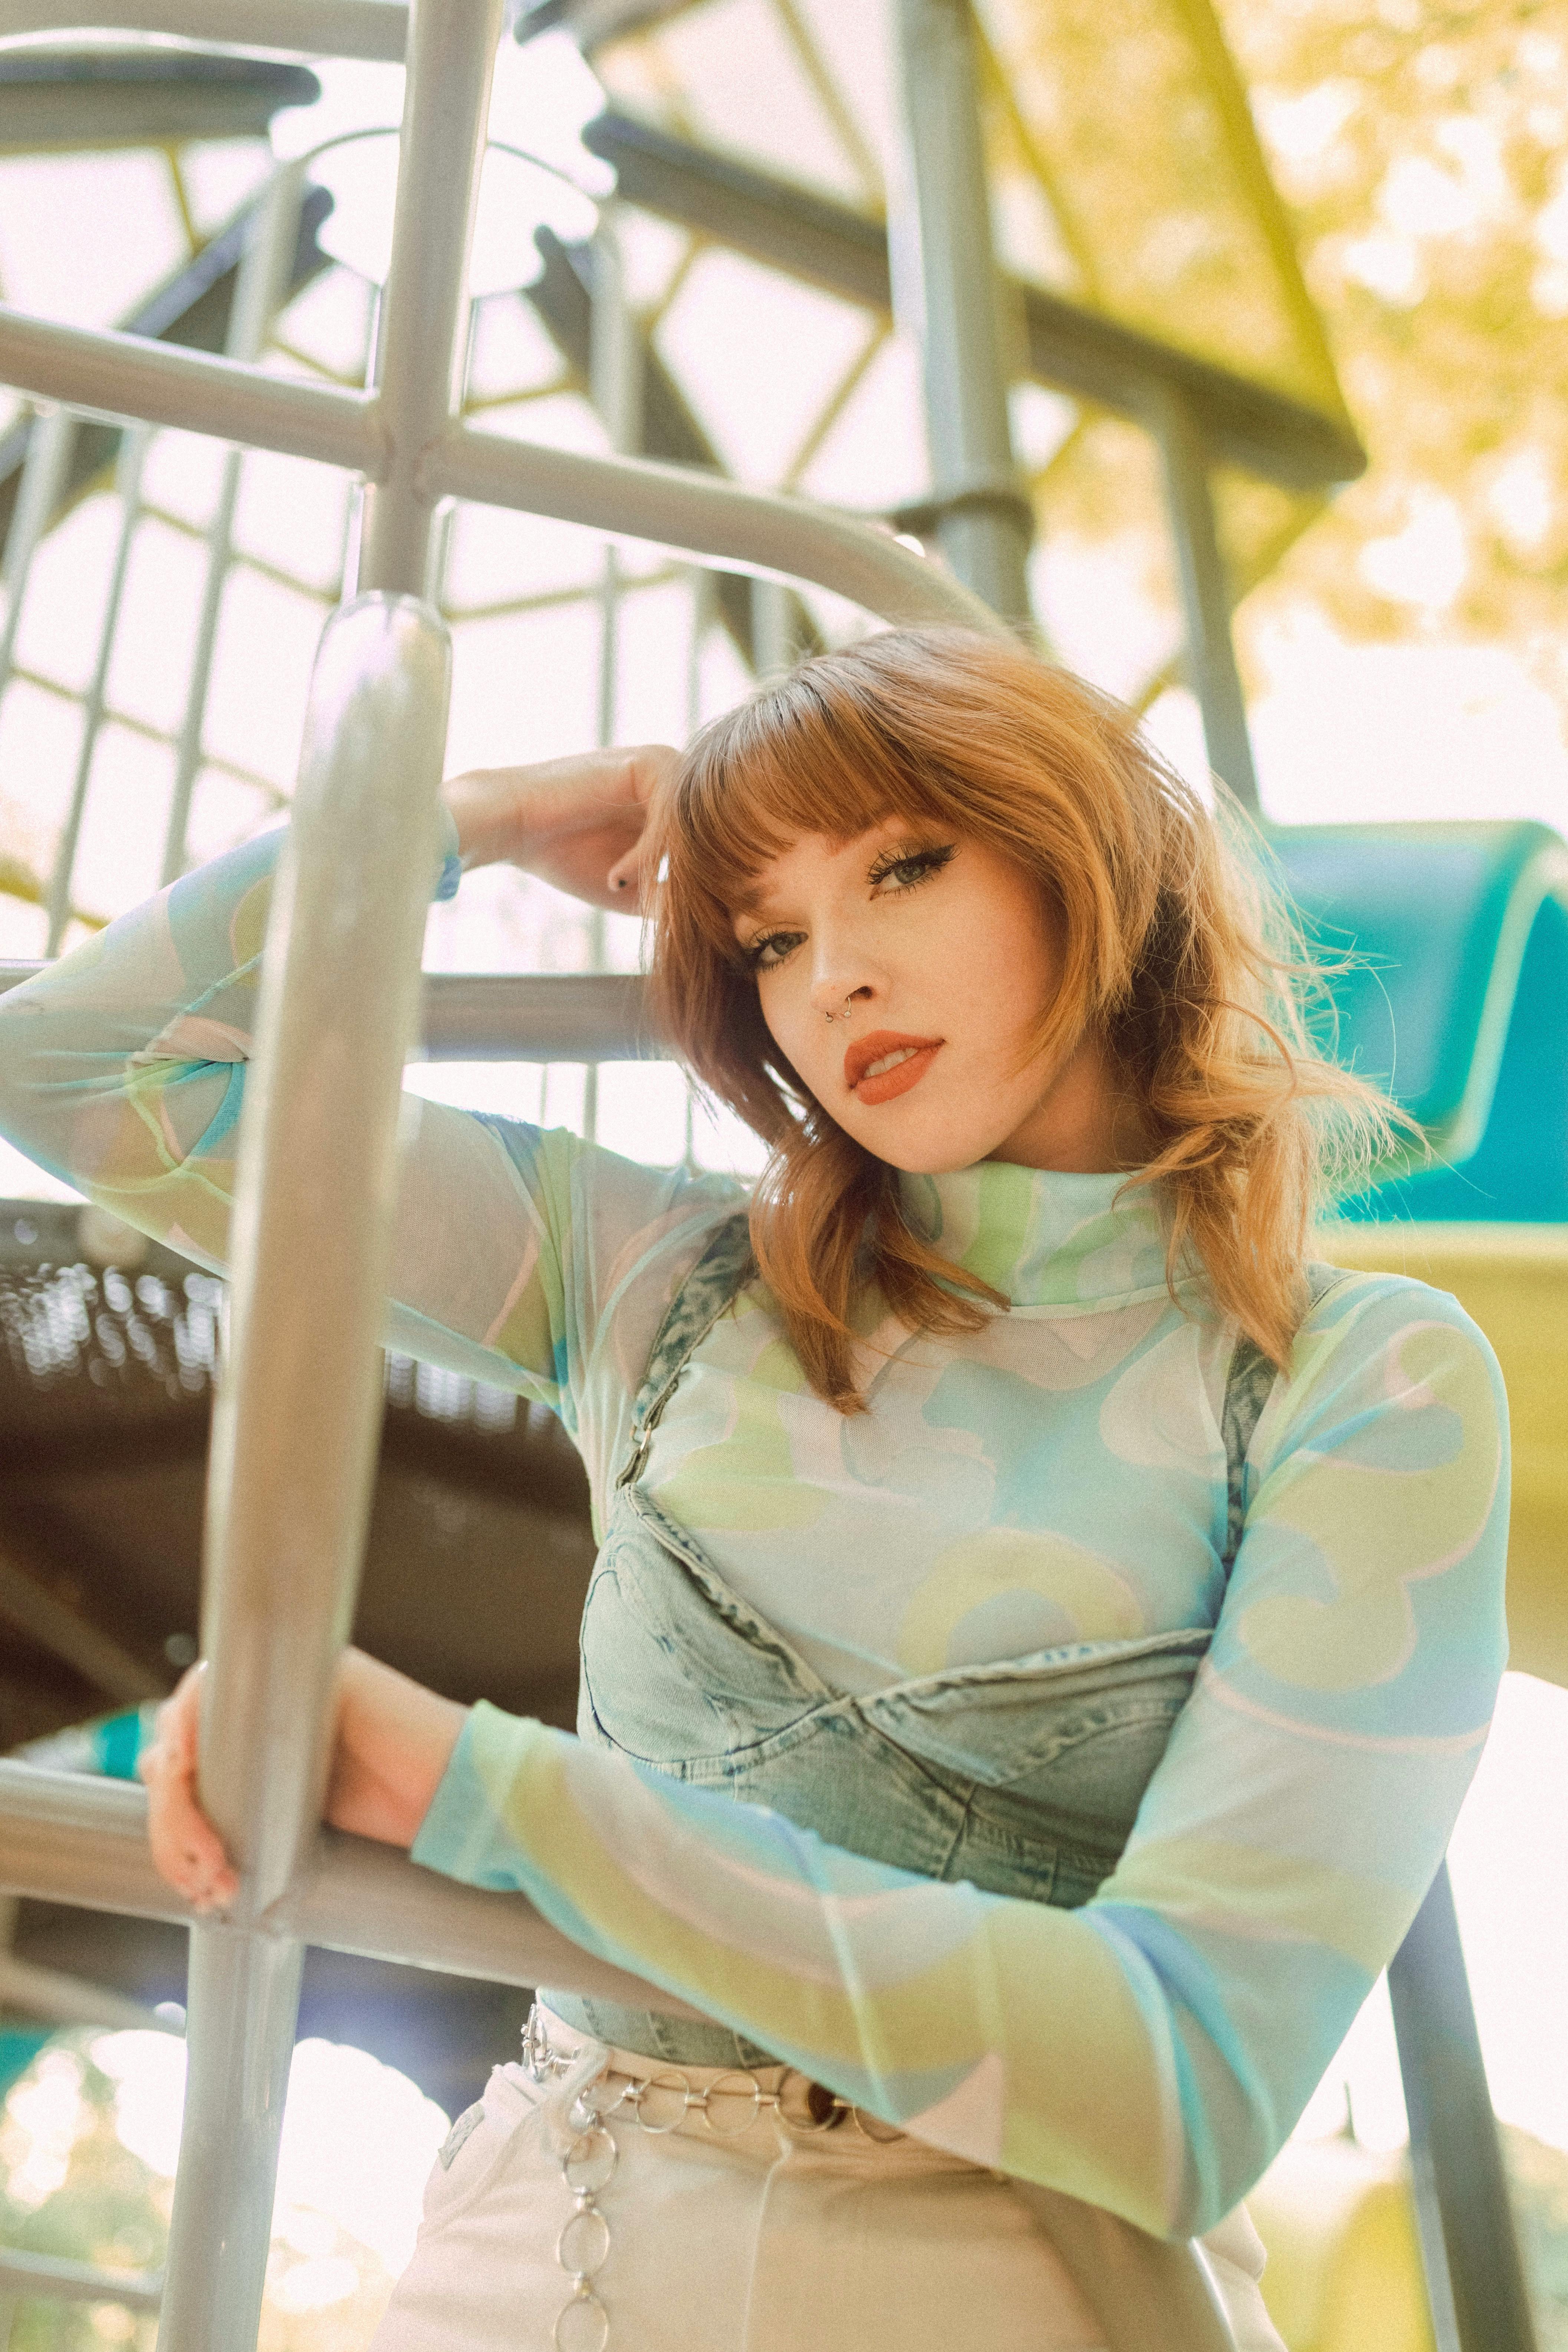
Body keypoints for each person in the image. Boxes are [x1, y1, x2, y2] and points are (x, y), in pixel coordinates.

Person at [0, 627, 1508, 2352]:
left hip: (1032, 2292)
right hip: (554, 2246)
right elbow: (72, 1068)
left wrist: (483, 1790)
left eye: (904, 864)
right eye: (769, 936)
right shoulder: (651, 1274)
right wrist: (476, 810)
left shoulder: (1358, 1378)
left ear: (1085, 855)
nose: (834, 975)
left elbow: (1190, 2080)